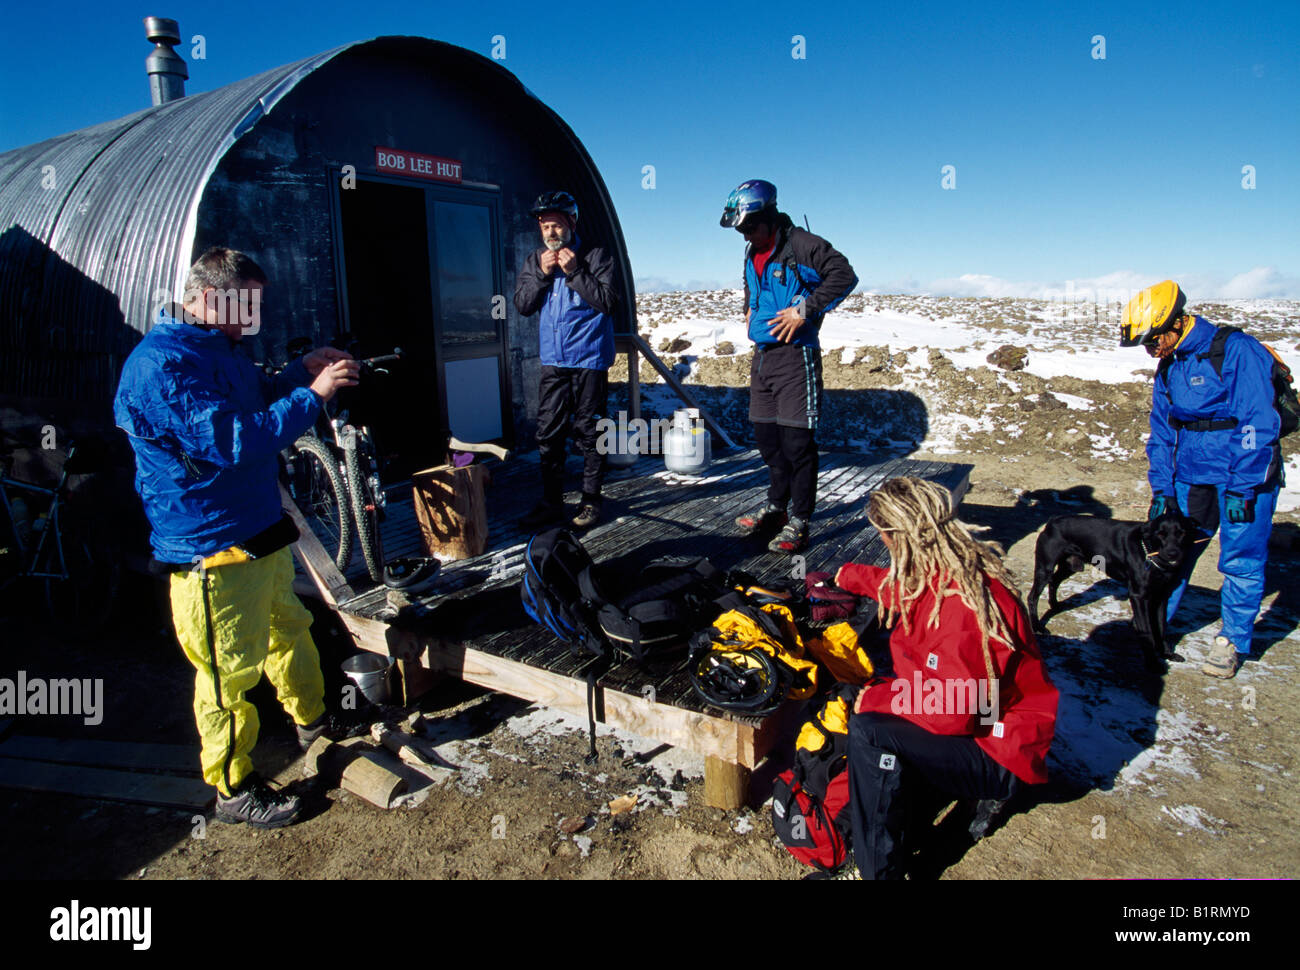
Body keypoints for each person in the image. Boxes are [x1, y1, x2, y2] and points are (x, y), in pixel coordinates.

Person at [114, 247, 360, 828]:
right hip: (210, 546)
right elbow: (234, 440)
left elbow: (254, 394)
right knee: (229, 673)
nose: (256, 314)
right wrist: (315, 395)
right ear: (205, 297)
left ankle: (314, 722)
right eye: (246, 302)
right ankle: (232, 788)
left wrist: (297, 375)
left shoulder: (218, 347)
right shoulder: (161, 368)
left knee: (289, 630)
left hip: (259, 527)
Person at [833, 477, 1059, 880]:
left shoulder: (960, 613)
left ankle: (875, 873)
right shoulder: (954, 568)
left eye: (883, 536)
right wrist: (850, 576)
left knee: (869, 728)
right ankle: (901, 816)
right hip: (986, 719)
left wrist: (883, 697)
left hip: (999, 747)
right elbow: (910, 590)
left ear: (896, 536)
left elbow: (956, 710)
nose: (883, 545)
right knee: (876, 715)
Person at [1121, 280, 1284, 678]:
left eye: (1152, 340)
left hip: (1243, 474)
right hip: (1192, 474)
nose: (1150, 350)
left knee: (1240, 558)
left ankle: (1232, 640)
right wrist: (1162, 487)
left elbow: (1257, 423)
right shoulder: (1171, 362)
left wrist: (1244, 487)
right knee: (1172, 551)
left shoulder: (1235, 351)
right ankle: (1155, 628)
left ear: (1174, 324)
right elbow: (1162, 430)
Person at [720, 179, 858, 554]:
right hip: (763, 358)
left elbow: (844, 276)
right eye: (741, 229)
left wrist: (805, 310)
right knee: (768, 442)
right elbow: (755, 288)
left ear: (768, 216)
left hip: (796, 358)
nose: (745, 234)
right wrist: (748, 309)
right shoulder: (752, 251)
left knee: (797, 445)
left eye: (749, 226)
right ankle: (776, 508)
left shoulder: (800, 244)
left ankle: (800, 519)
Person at [513, 190, 618, 530]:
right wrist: (543, 275)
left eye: (556, 225)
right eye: (545, 227)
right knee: (548, 433)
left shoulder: (597, 256)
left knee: (590, 431)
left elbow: (608, 302)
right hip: (554, 360)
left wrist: (575, 272)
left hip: (589, 358)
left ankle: (591, 500)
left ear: (572, 223)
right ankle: (551, 502)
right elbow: (522, 305)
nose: (551, 233)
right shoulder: (535, 260)